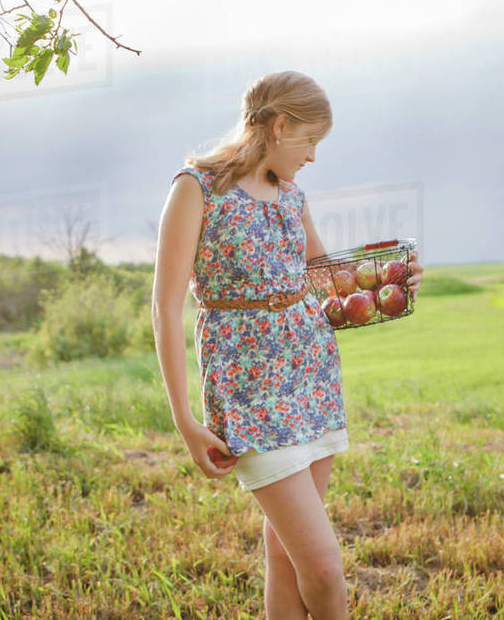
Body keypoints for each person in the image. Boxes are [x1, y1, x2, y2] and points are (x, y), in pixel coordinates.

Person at [151, 70, 424, 619]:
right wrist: (185, 419)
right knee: (324, 569)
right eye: (311, 141)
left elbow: (323, 281)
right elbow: (166, 307)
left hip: (312, 380)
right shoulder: (196, 187)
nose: (313, 157)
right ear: (279, 126)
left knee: (285, 553)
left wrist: (390, 282)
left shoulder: (292, 193)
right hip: (251, 396)